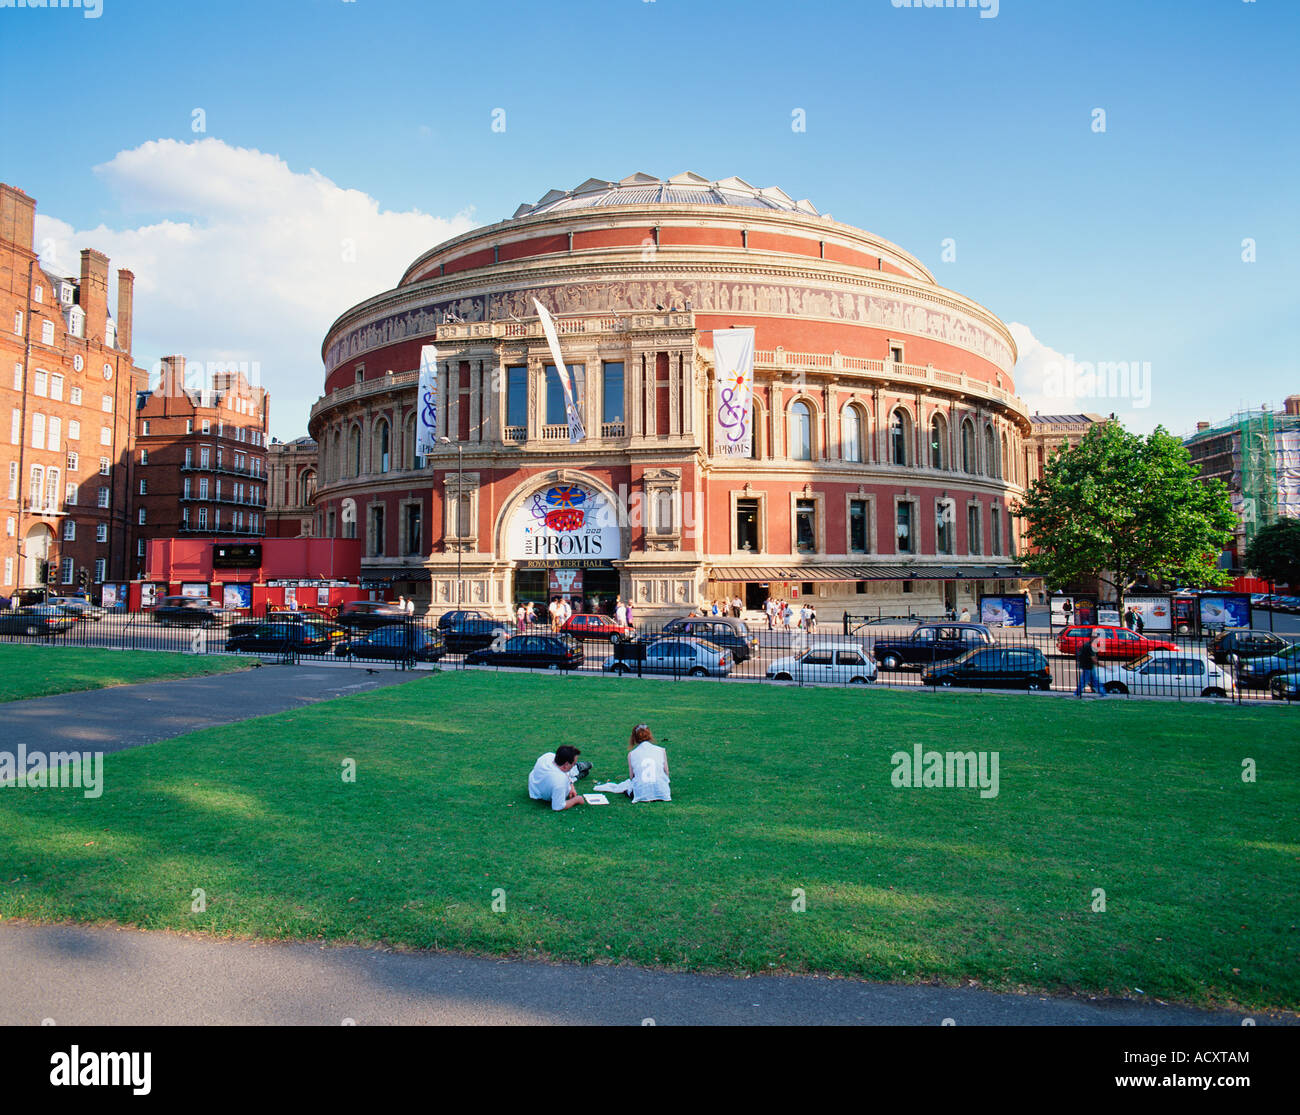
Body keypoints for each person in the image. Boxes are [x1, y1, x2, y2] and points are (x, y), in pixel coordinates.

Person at [605, 724, 671, 803]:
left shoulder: (632, 754)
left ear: (634, 738)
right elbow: (666, 772)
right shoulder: (661, 750)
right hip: (662, 792)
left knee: (628, 787)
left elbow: (632, 777)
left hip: (642, 793)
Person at [528, 745, 592, 811]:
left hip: (535, 787)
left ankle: (577, 773)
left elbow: (563, 771)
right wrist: (576, 800)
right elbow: (558, 806)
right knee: (570, 772)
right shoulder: (560, 781)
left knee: (568, 773)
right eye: (573, 764)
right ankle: (577, 769)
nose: (573, 765)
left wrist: (571, 785)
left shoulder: (547, 756)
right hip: (543, 793)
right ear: (566, 764)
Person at [1074, 629, 1108, 698]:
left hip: (1088, 666)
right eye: (1095, 637)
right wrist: (1104, 666)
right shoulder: (1090, 646)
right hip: (1088, 666)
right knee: (1087, 681)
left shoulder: (1088, 645)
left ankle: (1102, 693)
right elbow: (1093, 659)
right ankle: (1103, 693)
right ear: (1092, 637)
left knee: (1092, 681)